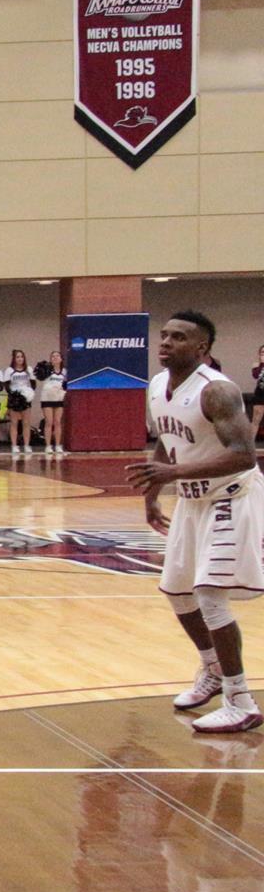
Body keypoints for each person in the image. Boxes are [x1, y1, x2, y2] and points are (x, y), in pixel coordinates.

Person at [127, 312, 264, 734]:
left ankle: (240, 699)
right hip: (191, 501)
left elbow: (244, 454)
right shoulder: (155, 386)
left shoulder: (216, 391)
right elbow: (169, 448)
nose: (166, 342)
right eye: (164, 335)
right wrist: (152, 495)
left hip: (230, 498)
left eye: (179, 337)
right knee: (177, 593)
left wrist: (174, 476)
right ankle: (211, 670)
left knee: (209, 595)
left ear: (202, 348)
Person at [36, 349, 68, 454]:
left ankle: (58, 445)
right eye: (53, 356)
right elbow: (39, 377)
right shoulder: (47, 369)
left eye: (57, 356)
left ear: (61, 359)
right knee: (49, 422)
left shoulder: (64, 372)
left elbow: (66, 385)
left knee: (57, 422)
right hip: (47, 398)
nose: (55, 358)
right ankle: (48, 446)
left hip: (58, 398)